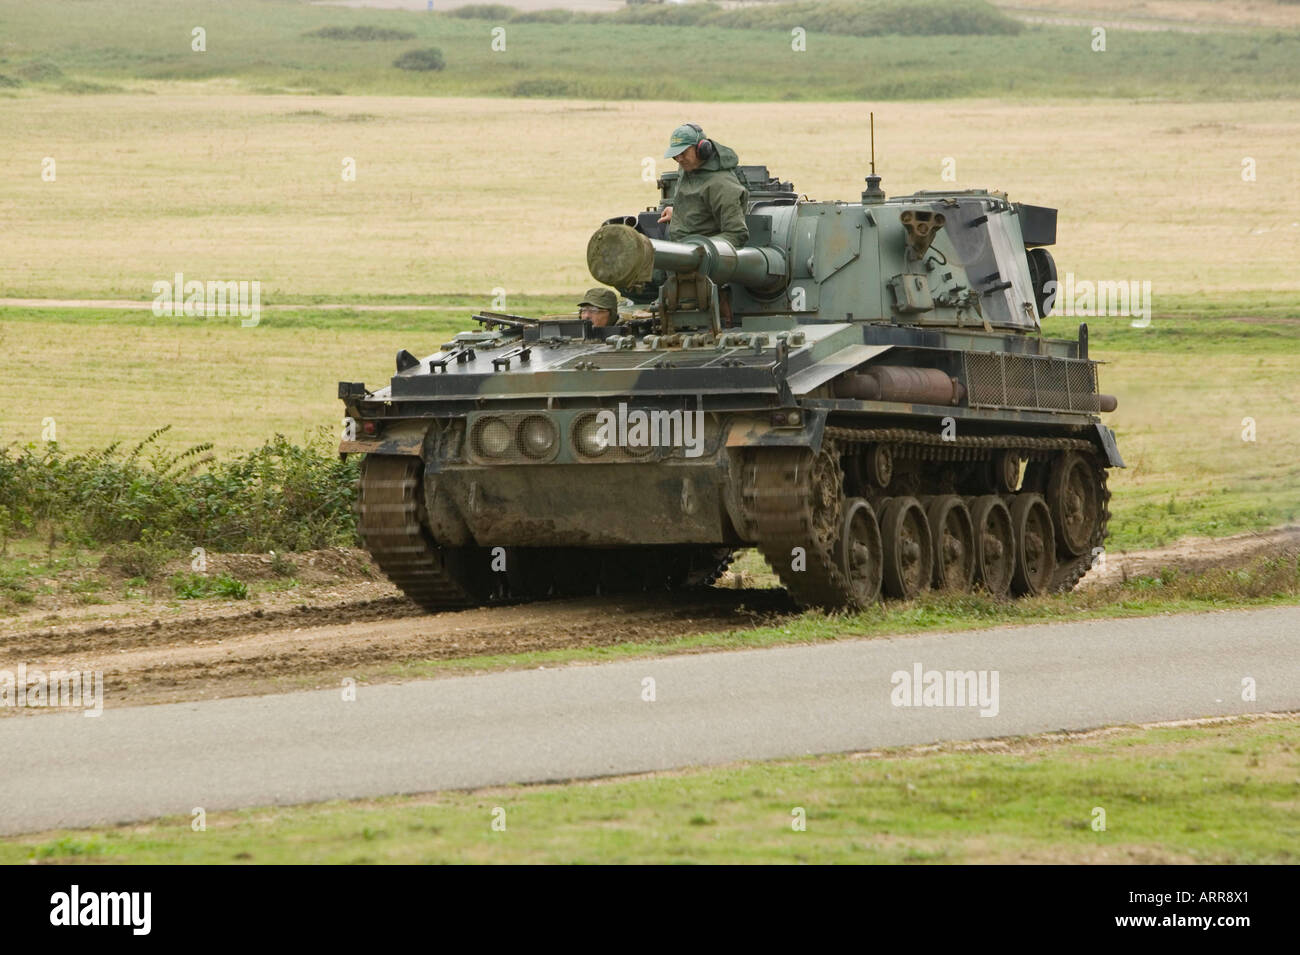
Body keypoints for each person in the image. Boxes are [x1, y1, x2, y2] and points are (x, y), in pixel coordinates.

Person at [657, 123, 749, 248]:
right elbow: (701, 210)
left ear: (702, 149)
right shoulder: (689, 169)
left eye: (683, 153)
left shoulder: (721, 184)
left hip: (701, 260)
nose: (679, 159)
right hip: (680, 250)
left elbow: (736, 234)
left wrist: (700, 250)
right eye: (675, 155)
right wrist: (678, 213)